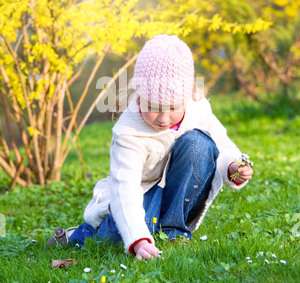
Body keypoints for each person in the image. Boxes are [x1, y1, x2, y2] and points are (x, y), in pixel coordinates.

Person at [47, 34, 253, 260]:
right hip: (141, 195)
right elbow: (126, 189)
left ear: (188, 94)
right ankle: (81, 234)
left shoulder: (196, 108)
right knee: (121, 233)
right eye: (153, 106)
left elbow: (221, 143)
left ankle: (174, 232)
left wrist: (232, 166)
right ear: (139, 94)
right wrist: (138, 240)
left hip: (180, 194)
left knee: (199, 142)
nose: (163, 118)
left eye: (173, 107)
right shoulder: (128, 132)